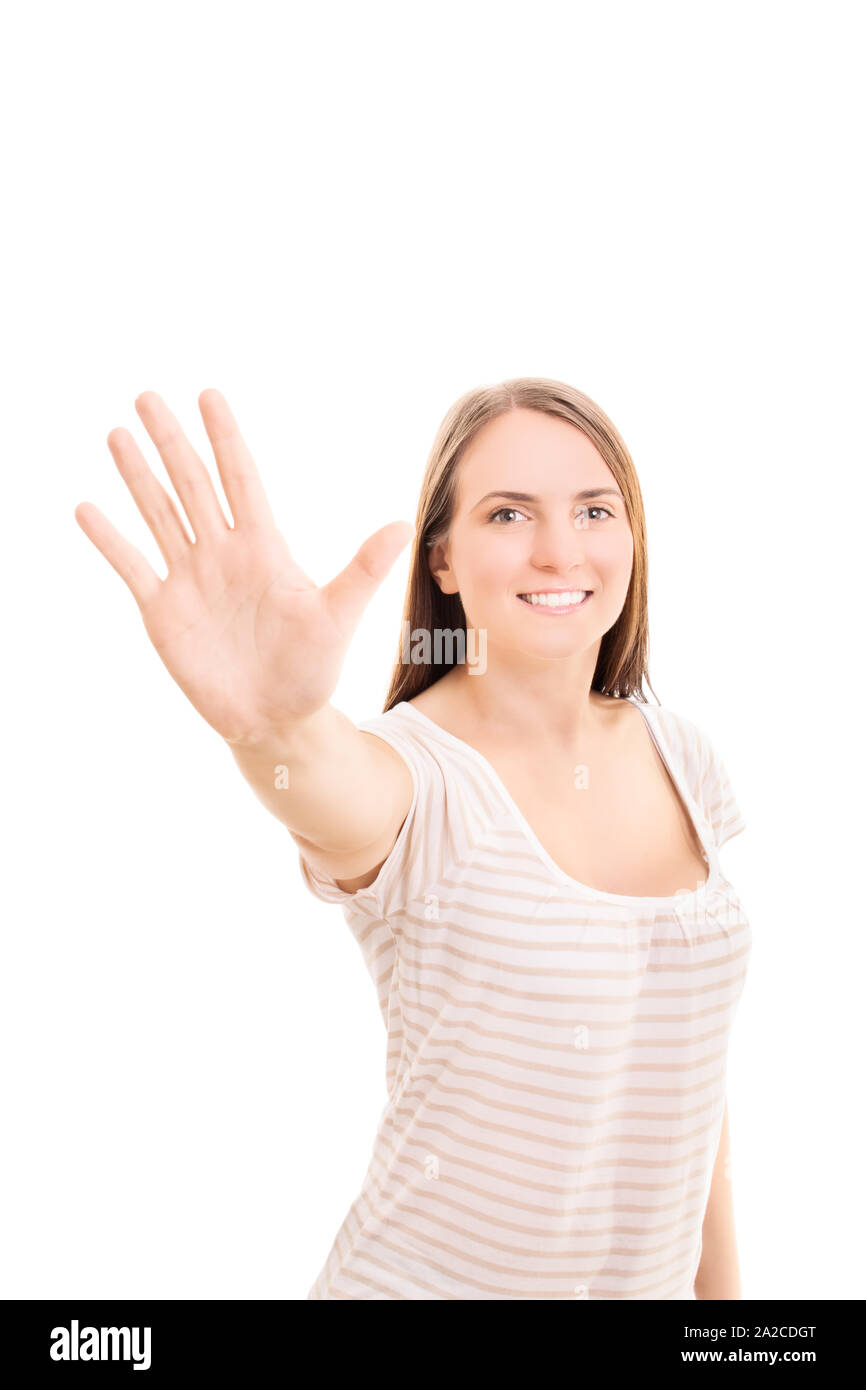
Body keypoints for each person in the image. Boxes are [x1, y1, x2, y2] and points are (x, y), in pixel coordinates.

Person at [75, 376, 750, 1301]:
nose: (560, 549)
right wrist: (272, 729)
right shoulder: (416, 778)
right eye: (509, 514)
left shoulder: (685, 759)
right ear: (441, 561)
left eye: (594, 509)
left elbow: (690, 1078)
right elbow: (321, 782)